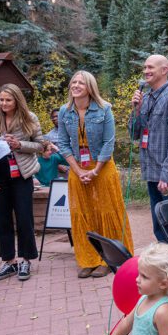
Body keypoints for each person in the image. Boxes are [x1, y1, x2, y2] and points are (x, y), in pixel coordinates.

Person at [59, 70, 133, 278]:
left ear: (90, 87)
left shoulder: (104, 109)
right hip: (78, 169)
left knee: (107, 212)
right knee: (82, 214)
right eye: (73, 82)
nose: (76, 85)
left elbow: (109, 142)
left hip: (102, 167)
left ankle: (109, 259)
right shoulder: (65, 112)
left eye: (81, 82)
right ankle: (88, 259)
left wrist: (95, 170)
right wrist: (78, 170)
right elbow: (63, 143)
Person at [129, 55, 168, 253]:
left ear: (164, 70)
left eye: (150, 67)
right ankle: (167, 271)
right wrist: (136, 110)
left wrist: (167, 175)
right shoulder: (146, 97)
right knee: (160, 226)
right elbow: (134, 133)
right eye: (144, 68)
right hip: (152, 171)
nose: (146, 71)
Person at [0, 84, 44, 281]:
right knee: (2, 220)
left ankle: (26, 259)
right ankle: (8, 262)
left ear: (17, 100)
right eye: (1, 100)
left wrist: (20, 145)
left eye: (8, 100)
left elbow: (41, 145)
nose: (4, 103)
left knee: (24, 218)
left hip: (22, 177)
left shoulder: (29, 118)